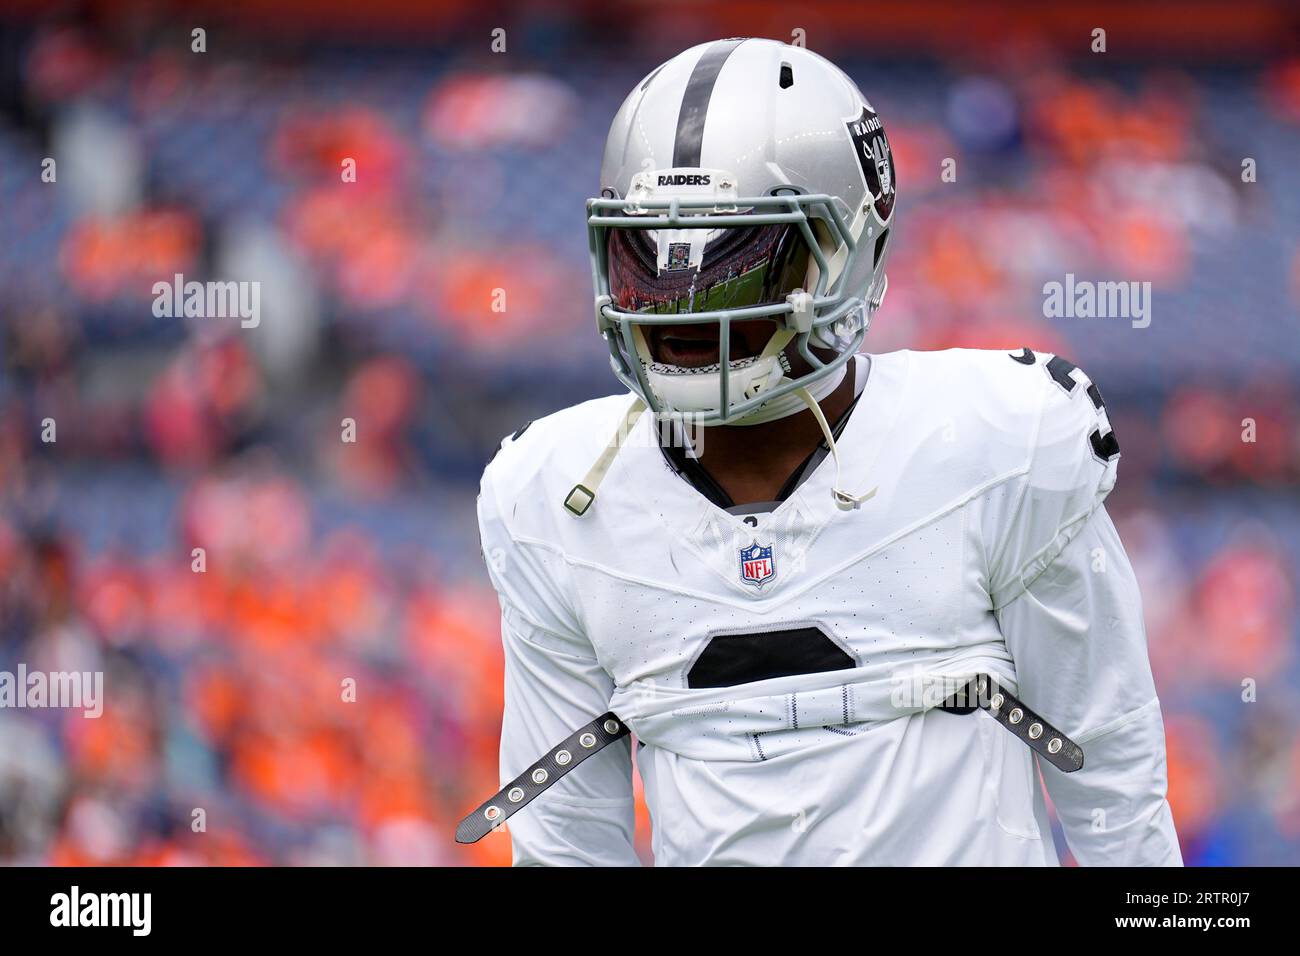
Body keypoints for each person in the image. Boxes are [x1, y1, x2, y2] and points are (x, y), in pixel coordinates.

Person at [469, 38, 1181, 866]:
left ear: (850, 251)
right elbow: (567, 847)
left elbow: (1112, 780)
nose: (682, 307)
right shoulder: (553, 498)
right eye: (650, 260)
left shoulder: (996, 445)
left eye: (735, 262)